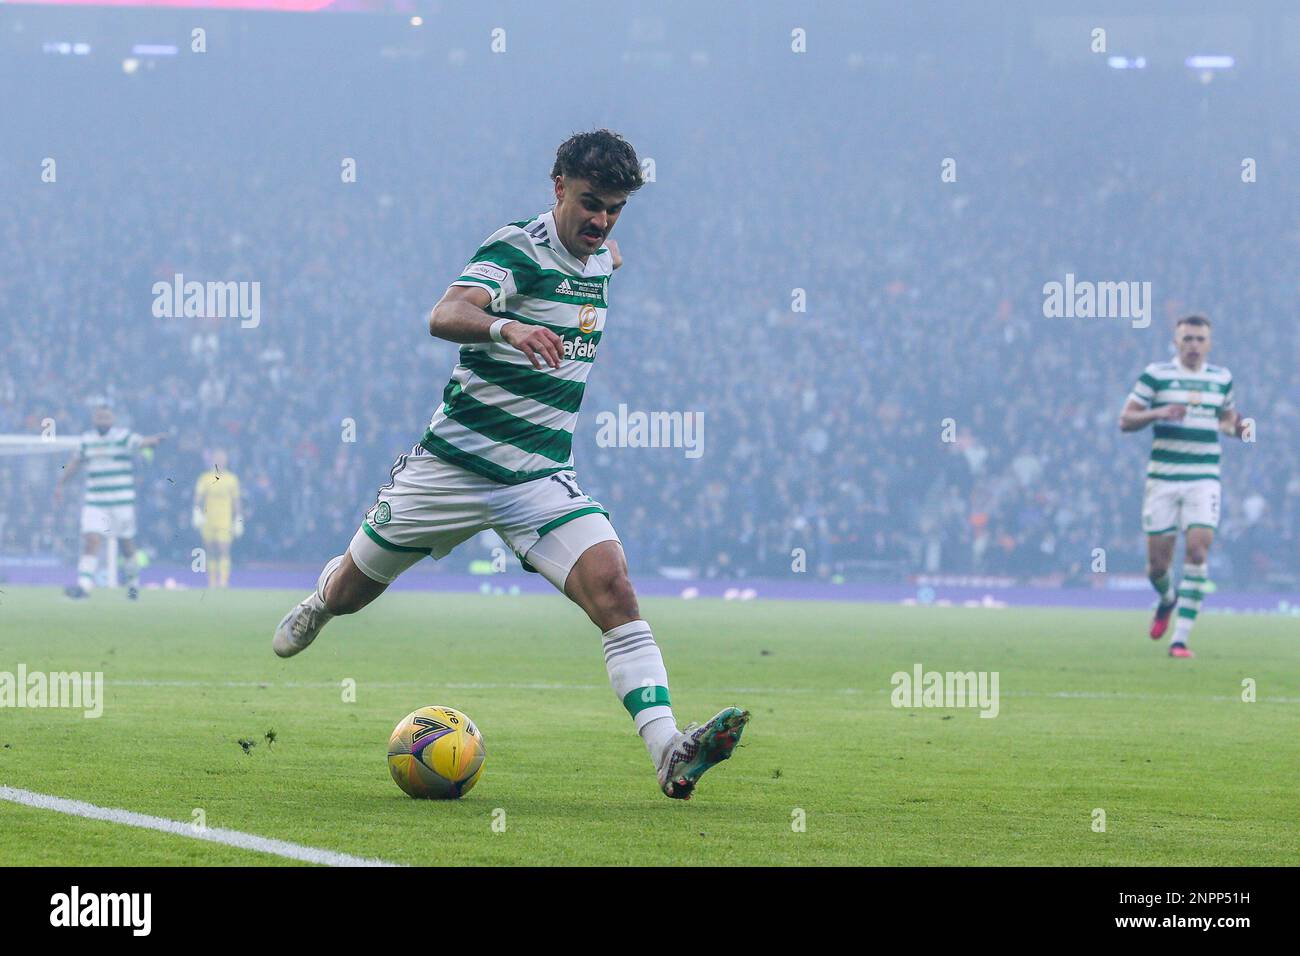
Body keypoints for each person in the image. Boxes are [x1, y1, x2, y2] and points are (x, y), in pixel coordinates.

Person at [270, 130, 748, 798]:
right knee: (353, 590)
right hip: (453, 468)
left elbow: (607, 257)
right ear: (558, 187)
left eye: (614, 208)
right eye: (589, 203)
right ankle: (320, 602)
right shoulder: (516, 249)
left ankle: (669, 749)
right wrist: (507, 327)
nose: (601, 220)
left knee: (613, 588)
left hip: (538, 479)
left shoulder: (600, 257)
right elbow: (444, 313)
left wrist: (606, 249)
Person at [1119, 316, 1249, 658]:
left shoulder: (1222, 379)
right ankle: (1167, 599)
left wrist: (1243, 429)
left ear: (1209, 343)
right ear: (1176, 342)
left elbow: (1226, 420)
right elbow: (1125, 420)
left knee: (1197, 551)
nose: (1193, 345)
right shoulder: (1156, 375)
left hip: (1203, 478)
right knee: (1158, 566)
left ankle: (1180, 640)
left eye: (1200, 339)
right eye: (1187, 338)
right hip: (1162, 478)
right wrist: (1159, 412)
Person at [54, 405, 167, 600]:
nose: (103, 421)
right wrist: (61, 484)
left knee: (126, 545)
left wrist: (153, 441)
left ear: (113, 420)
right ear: (94, 420)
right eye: (100, 417)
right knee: (91, 541)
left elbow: (142, 443)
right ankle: (84, 587)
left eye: (106, 418)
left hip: (121, 502)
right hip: (95, 502)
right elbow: (75, 463)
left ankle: (132, 585)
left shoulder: (123, 437)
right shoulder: (86, 441)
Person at [193, 449, 244, 588]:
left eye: (222, 458)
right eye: (217, 458)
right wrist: (197, 513)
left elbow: (236, 501)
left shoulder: (232, 479)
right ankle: (212, 581)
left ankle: (223, 581)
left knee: (224, 549)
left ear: (226, 460)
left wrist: (238, 519)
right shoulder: (204, 478)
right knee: (210, 551)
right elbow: (198, 497)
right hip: (208, 520)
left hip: (224, 521)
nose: (220, 461)